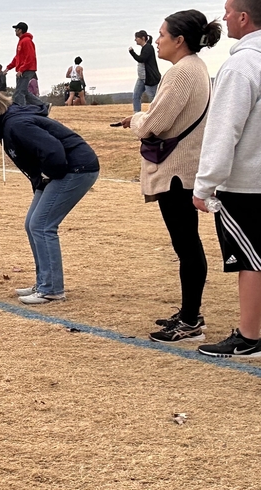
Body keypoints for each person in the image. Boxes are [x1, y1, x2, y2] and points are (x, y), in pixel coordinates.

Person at [117, 10, 222, 342]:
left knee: (187, 246)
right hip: (187, 169)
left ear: (179, 40)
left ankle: (190, 321)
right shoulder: (198, 69)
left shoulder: (180, 73)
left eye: (162, 34)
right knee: (187, 244)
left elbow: (152, 125)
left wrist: (134, 119)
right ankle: (190, 313)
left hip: (176, 172)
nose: (157, 40)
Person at [0, 81, 98, 304]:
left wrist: (47, 177)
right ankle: (44, 282)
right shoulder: (6, 123)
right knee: (32, 223)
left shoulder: (16, 125)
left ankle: (51, 289)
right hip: (65, 170)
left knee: (41, 225)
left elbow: (53, 153)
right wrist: (41, 181)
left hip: (77, 169)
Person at [192, 0, 261, 358]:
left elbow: (223, 131)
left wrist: (204, 185)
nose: (224, 18)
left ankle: (250, 337)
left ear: (244, 17)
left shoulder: (241, 65)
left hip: (248, 184)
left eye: (229, 11)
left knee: (250, 260)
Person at [5, 21, 45, 107]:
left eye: (16, 29)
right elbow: (18, 58)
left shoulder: (26, 41)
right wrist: (8, 68)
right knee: (24, 92)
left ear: (21, 30)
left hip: (27, 70)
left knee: (19, 93)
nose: (15, 30)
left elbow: (30, 57)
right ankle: (43, 106)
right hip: (24, 69)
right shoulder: (21, 41)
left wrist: (22, 69)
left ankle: (21, 110)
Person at [130, 30, 162, 113]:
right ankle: (136, 115)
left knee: (153, 98)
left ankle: (158, 114)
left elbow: (141, 59)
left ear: (143, 38)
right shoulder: (146, 47)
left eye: (137, 38)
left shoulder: (148, 48)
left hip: (149, 78)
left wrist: (132, 52)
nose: (135, 40)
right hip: (141, 78)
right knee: (136, 96)